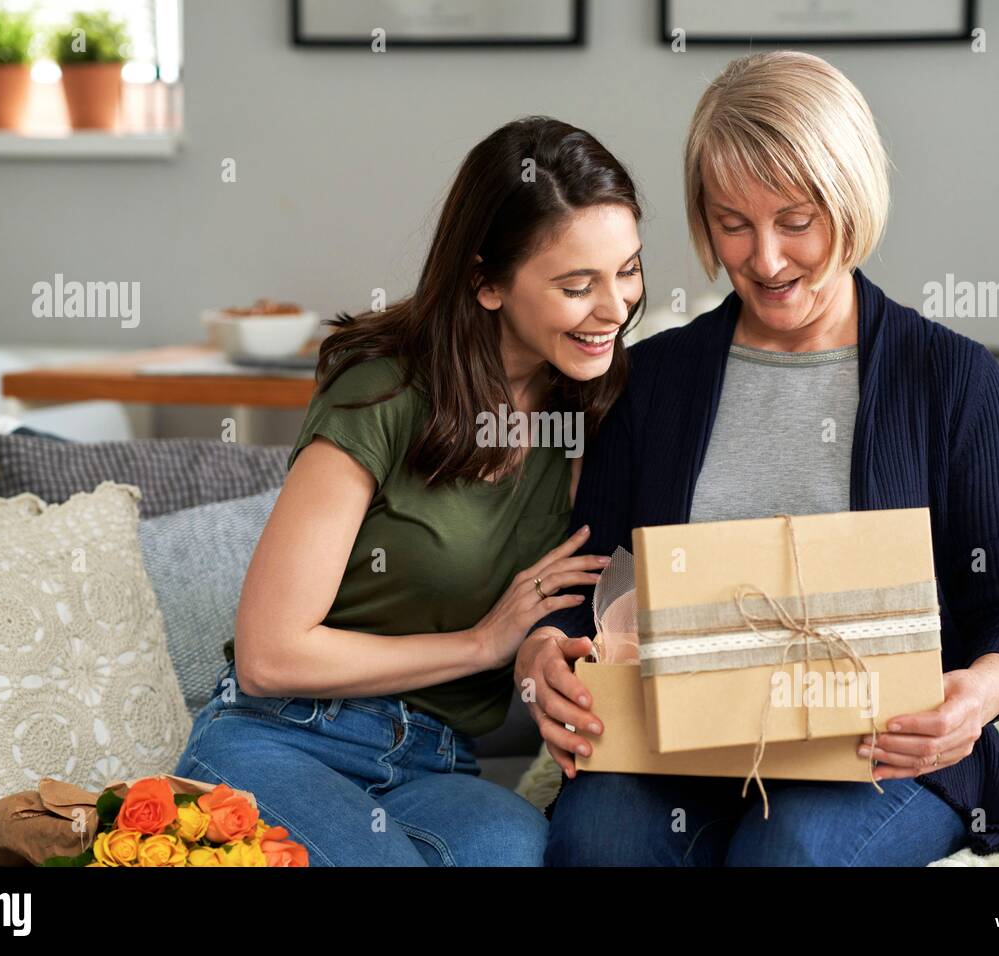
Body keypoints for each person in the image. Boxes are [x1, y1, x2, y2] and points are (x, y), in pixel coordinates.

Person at [519, 51, 999, 866]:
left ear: (850, 203)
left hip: (877, 754)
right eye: (732, 223)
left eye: (796, 221)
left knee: (795, 850)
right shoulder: (655, 379)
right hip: (676, 747)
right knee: (599, 840)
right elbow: (584, 581)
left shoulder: (949, 379)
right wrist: (544, 652)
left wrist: (978, 694)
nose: (765, 260)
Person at [173, 116, 648, 865]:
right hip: (284, 737)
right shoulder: (383, 394)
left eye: (628, 271)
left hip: (433, 763)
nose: (615, 309)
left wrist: (542, 654)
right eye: (576, 285)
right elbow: (270, 654)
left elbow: (577, 605)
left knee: (518, 854)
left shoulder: (592, 414)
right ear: (485, 282)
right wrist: (481, 643)